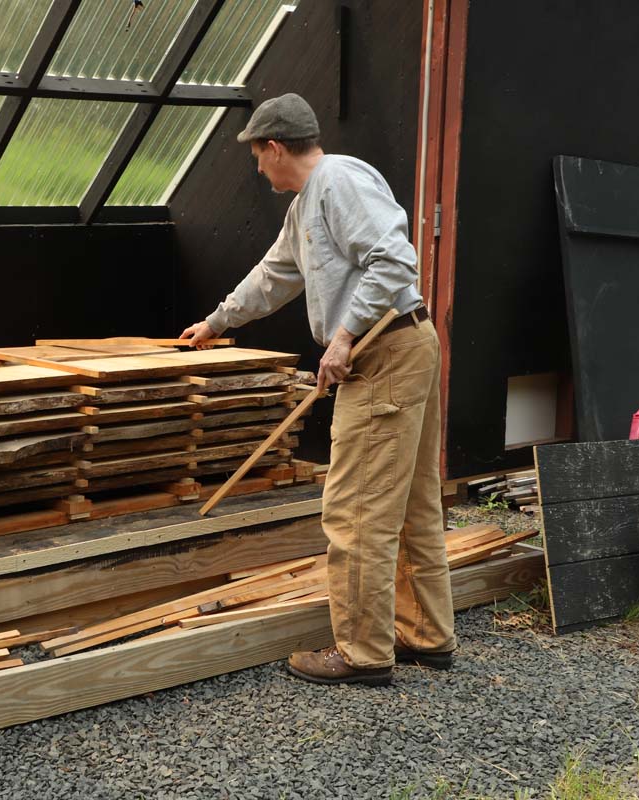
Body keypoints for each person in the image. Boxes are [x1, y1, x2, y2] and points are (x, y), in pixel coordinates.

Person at [180, 93, 456, 686]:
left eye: (259, 155)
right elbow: (274, 275)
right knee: (409, 501)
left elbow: (395, 260)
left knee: (356, 509)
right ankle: (426, 635)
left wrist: (343, 338)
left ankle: (362, 654)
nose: (258, 168)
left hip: (384, 355)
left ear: (277, 147)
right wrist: (218, 321)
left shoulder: (339, 181)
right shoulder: (306, 205)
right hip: (398, 350)